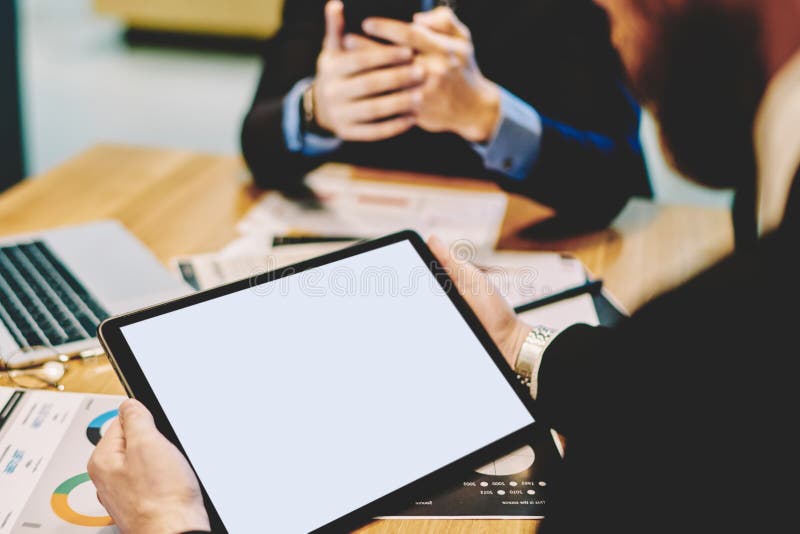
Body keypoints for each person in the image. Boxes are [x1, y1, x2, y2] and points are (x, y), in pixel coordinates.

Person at [89, 0, 800, 532]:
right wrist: (316, 107)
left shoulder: (711, 336)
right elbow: (260, 132)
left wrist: (168, 525)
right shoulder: (714, 342)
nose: (617, 19)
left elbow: (615, 173)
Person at [241, 0, 651, 233]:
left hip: (525, 240)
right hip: (368, 238)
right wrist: (318, 110)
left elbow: (615, 176)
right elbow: (257, 141)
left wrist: (489, 117)